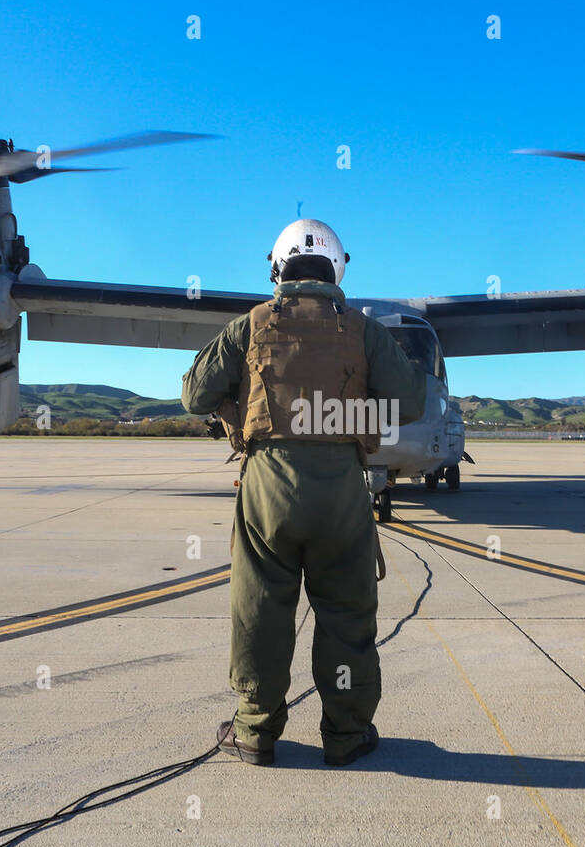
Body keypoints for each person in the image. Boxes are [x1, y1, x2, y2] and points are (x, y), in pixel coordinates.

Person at [181, 218, 426, 767]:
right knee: (346, 613)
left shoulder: (249, 325)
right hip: (342, 489)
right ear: (336, 268)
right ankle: (346, 734)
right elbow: (410, 403)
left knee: (261, 610)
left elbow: (195, 395)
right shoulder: (364, 330)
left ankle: (254, 731)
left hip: (267, 486)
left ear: (278, 269)